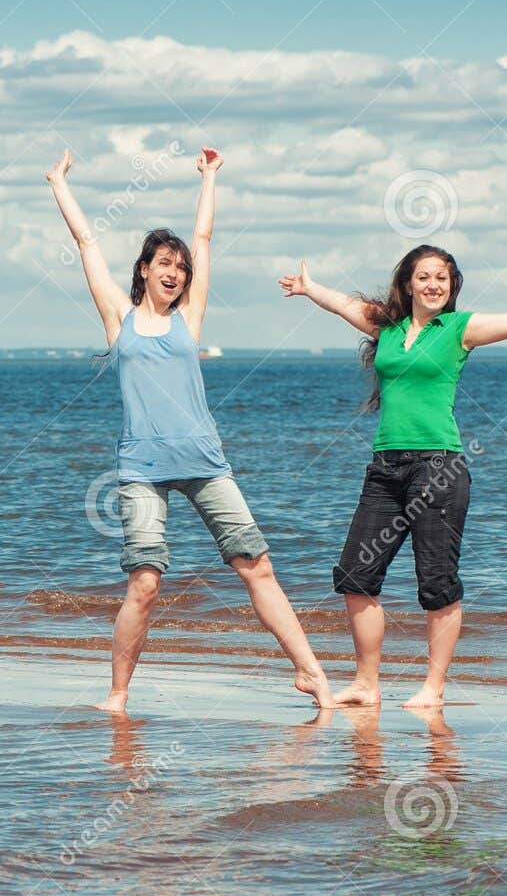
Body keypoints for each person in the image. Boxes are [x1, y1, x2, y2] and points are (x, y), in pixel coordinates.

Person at [279, 245, 507, 708]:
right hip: (385, 469)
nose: (434, 284)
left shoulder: (458, 329)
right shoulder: (386, 327)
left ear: (452, 286)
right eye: (425, 276)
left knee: (436, 582)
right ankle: (367, 684)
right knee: (356, 574)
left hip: (437, 469)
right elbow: (342, 304)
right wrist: (310, 288)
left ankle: (433, 688)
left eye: (443, 278)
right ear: (408, 283)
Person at [48, 146, 335, 714]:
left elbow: (204, 239)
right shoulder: (119, 318)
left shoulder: (190, 317)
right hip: (141, 468)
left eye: (180, 267)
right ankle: (117, 696)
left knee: (256, 565)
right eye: (164, 263)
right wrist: (59, 183)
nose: (174, 272)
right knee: (145, 582)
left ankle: (311, 674)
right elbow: (86, 244)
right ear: (144, 269)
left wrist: (209, 177)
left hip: (205, 462)